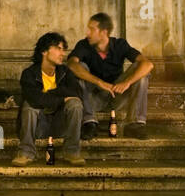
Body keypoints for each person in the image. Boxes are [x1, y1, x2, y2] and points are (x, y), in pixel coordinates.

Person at [66, 13, 153, 140]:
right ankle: (89, 122)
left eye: (91, 29)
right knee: (80, 68)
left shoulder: (120, 44)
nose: (87, 33)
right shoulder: (84, 45)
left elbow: (148, 64)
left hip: (117, 95)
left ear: (103, 32)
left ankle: (135, 124)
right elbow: (71, 65)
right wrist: (99, 82)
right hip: (93, 99)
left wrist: (127, 82)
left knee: (140, 70)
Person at [13, 32, 85, 166]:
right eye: (58, 48)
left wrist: (50, 94)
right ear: (44, 51)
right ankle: (26, 152)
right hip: (39, 126)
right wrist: (62, 99)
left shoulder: (65, 72)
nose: (62, 54)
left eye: (63, 49)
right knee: (29, 106)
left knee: (75, 103)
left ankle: (72, 152)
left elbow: (77, 93)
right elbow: (35, 99)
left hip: (61, 125)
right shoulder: (29, 74)